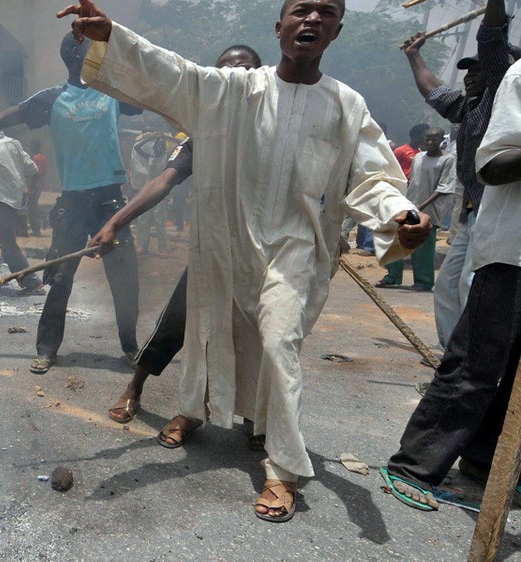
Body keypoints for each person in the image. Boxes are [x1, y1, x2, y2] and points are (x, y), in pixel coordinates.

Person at [60, 0, 431, 522]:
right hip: (227, 241)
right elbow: (174, 74)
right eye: (301, 10)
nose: (312, 19)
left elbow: (372, 177)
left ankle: (283, 467)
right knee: (209, 331)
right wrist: (112, 36)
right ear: (280, 27)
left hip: (295, 247)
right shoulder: (236, 89)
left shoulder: (347, 105)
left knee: (279, 344)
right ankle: (196, 411)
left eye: (325, 12)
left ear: (336, 30)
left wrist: (400, 214)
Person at [0, 31, 143, 375]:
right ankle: (46, 349)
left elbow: (145, 97)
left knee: (124, 277)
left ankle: (131, 347)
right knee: (60, 277)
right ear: (77, 57)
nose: (98, 56)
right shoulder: (52, 99)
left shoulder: (112, 91)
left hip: (110, 200)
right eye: (93, 50)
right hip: (74, 201)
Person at [90, 45, 263, 438]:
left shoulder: (275, 129)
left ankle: (257, 418)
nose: (235, 76)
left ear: (262, 76)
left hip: (264, 254)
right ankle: (135, 389)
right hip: (213, 249)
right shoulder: (204, 132)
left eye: (245, 68)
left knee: (260, 335)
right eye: (226, 70)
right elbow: (164, 181)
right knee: (176, 322)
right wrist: (116, 222)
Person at [381, 59, 521, 512]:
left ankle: (485, 459)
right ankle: (415, 465)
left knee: (514, 373)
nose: (471, 77)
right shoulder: (516, 79)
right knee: (475, 363)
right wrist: (413, 56)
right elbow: (492, 164)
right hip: (513, 253)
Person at [402, 0, 511, 351]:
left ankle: (472, 360)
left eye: (479, 69)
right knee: (449, 286)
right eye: (467, 70)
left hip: (495, 213)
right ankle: (452, 355)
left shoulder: (499, 98)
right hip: (470, 212)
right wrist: (414, 56)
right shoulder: (470, 106)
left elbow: (492, 39)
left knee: (471, 286)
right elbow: (434, 91)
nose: (469, 75)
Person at [378, 127, 454, 291]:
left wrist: (421, 206)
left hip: (430, 209)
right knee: (397, 239)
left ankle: (424, 281)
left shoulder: (447, 160)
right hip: (410, 204)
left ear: (442, 140)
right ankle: (392, 276)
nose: (430, 142)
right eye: (427, 139)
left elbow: (443, 188)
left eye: (434, 139)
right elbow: (412, 180)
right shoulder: (418, 157)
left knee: (423, 247)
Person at [0, 127, 42, 294]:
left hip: (4, 201)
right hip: (14, 198)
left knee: (9, 247)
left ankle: (32, 282)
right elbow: (32, 168)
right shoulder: (15, 143)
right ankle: (2, 230)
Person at [128, 131, 172, 256]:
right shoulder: (141, 147)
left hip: (159, 190)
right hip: (145, 190)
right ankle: (142, 246)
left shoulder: (161, 149)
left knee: (160, 219)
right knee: (143, 218)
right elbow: (138, 152)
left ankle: (163, 248)